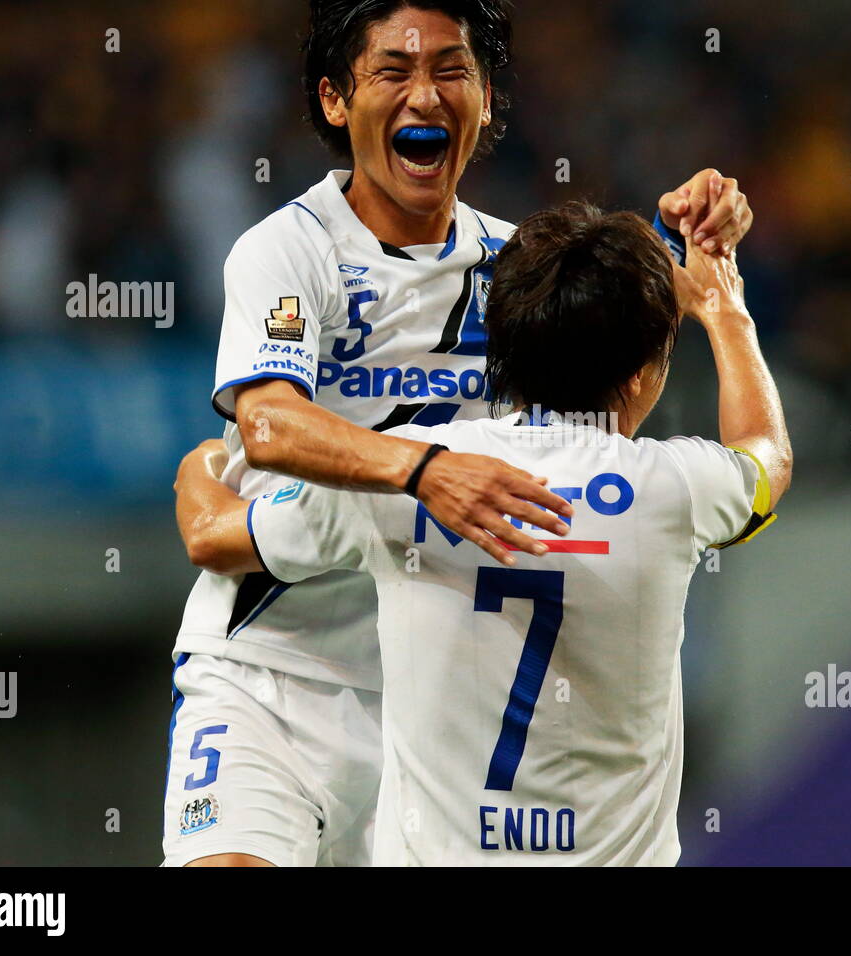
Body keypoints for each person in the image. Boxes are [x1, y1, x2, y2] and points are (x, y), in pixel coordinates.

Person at [162, 0, 755, 867]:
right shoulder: (285, 252)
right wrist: (424, 470)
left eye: (450, 70)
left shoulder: (519, 265)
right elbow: (268, 421)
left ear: (483, 99)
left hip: (425, 703)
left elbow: (605, 380)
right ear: (335, 100)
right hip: (267, 674)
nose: (425, 95)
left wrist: (683, 237)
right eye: (393, 72)